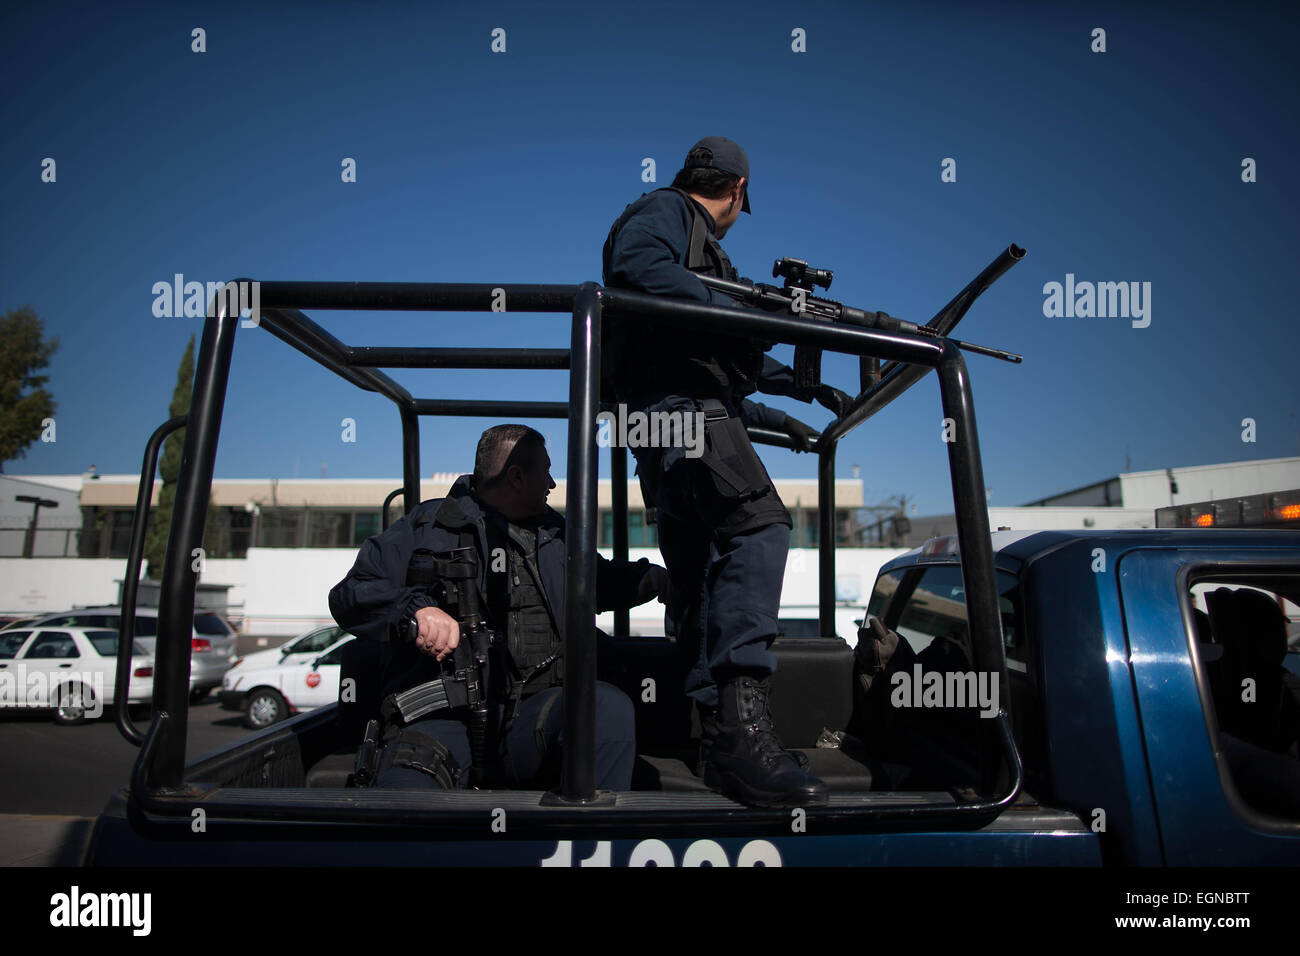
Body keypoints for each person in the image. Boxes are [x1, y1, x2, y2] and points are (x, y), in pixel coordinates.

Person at [602, 136, 845, 807]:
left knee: (707, 567)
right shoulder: (666, 215)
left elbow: (717, 359)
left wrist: (799, 396)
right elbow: (635, 265)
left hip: (667, 415)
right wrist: (744, 314)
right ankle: (741, 734)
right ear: (737, 192)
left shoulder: (702, 252)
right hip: (675, 415)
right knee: (760, 525)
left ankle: (720, 742)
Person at [328, 424, 668, 791]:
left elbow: (596, 581)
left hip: (531, 718)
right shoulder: (426, 527)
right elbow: (350, 593)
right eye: (547, 472)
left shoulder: (555, 534)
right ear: (517, 477)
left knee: (605, 709)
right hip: (442, 723)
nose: (552, 484)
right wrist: (414, 609)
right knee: (404, 801)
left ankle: (590, 845)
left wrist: (648, 578)